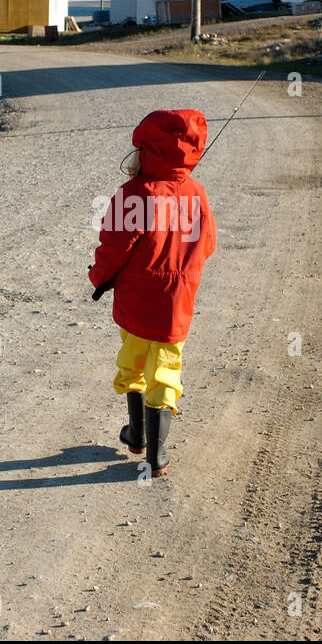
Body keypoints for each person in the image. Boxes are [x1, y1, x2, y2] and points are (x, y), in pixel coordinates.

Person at [89, 109, 217, 477]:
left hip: (134, 301)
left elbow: (113, 247)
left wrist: (98, 278)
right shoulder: (197, 194)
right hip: (176, 304)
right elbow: (207, 245)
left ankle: (138, 436)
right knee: (165, 369)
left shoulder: (133, 193)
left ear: (145, 151)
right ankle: (156, 456)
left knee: (133, 359)